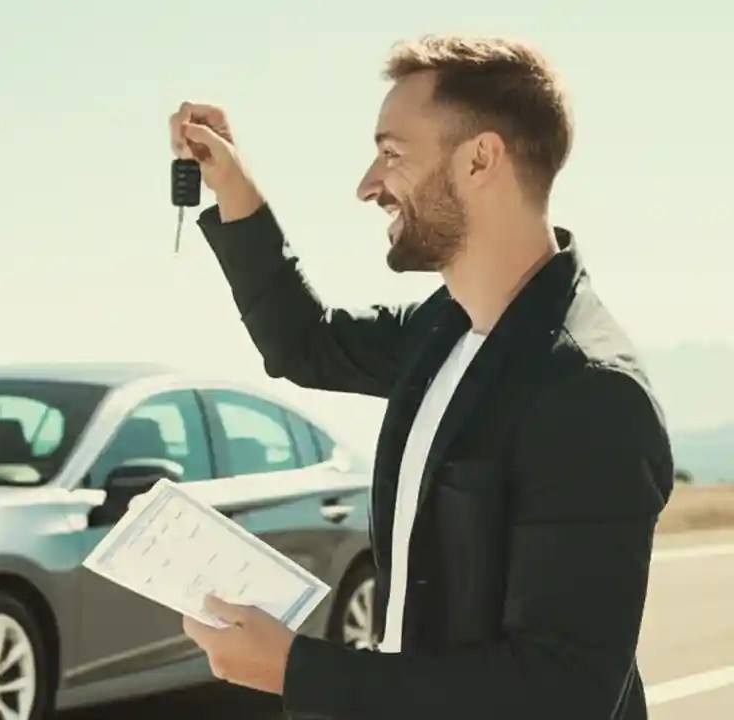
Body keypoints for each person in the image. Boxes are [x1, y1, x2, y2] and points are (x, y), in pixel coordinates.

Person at [170, 35, 673, 720]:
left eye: (393, 154)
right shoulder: (444, 327)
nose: (368, 185)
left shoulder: (590, 394)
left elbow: (563, 691)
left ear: (480, 159)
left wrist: (296, 670)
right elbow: (304, 344)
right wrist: (230, 180)